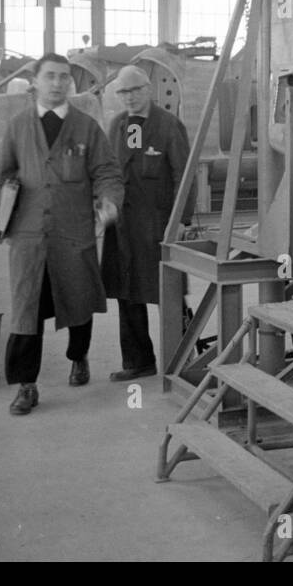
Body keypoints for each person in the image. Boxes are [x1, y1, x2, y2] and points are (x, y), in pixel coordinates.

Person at [0, 53, 123, 416]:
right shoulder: (17, 126)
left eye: (63, 77)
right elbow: (1, 173)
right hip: (28, 233)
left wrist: (108, 203)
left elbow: (106, 171)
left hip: (74, 232)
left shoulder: (87, 127)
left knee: (78, 299)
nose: (57, 83)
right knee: (26, 308)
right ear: (36, 82)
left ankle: (79, 356)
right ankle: (26, 386)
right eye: (50, 77)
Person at [100, 65, 193, 382]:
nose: (128, 97)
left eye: (134, 90)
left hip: (157, 225)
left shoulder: (168, 127)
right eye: (122, 92)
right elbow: (107, 172)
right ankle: (139, 360)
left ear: (148, 89)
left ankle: (183, 357)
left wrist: (181, 220)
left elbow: (184, 175)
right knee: (127, 293)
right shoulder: (116, 126)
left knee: (167, 291)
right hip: (123, 226)